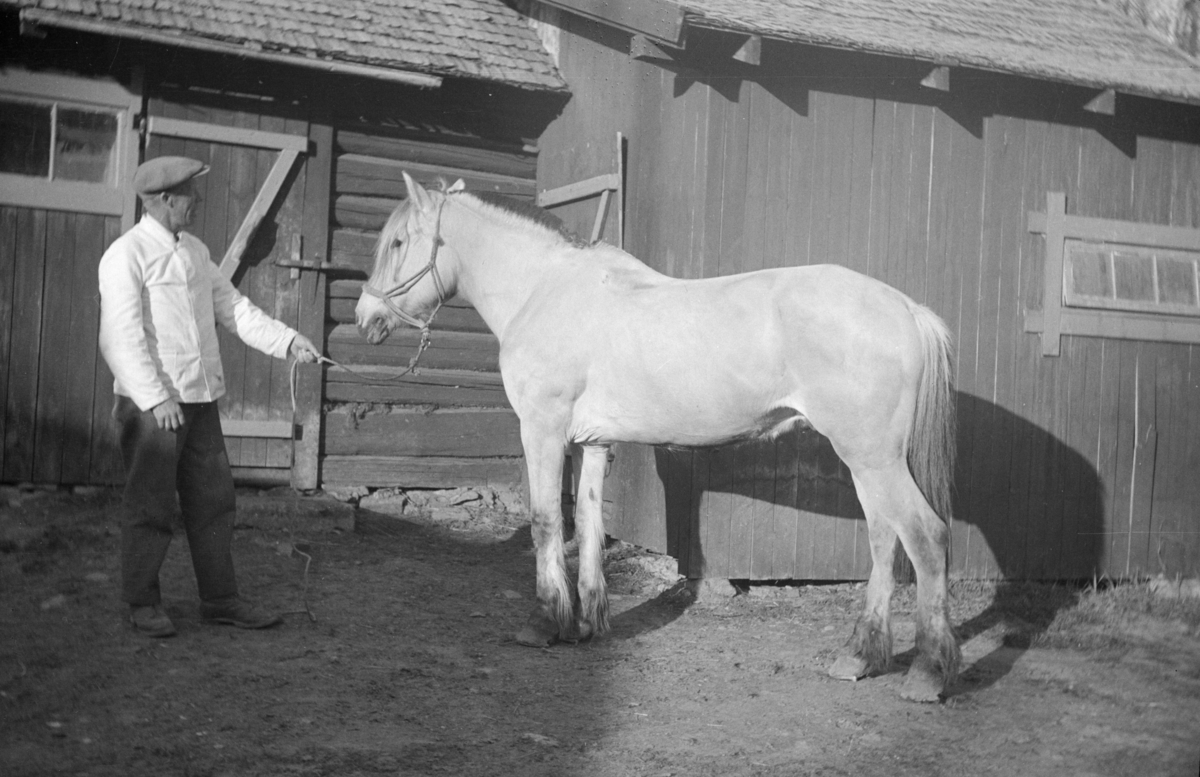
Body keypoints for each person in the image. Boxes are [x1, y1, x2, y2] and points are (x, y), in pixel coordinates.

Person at [98, 155, 321, 638]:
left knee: (214, 503)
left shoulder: (194, 251)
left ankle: (220, 600)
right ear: (162, 200)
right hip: (151, 407)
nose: (196, 202)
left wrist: (287, 341)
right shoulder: (126, 254)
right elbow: (119, 338)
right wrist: (157, 399)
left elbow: (235, 310)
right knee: (150, 506)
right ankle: (142, 602)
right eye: (189, 195)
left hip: (198, 403)